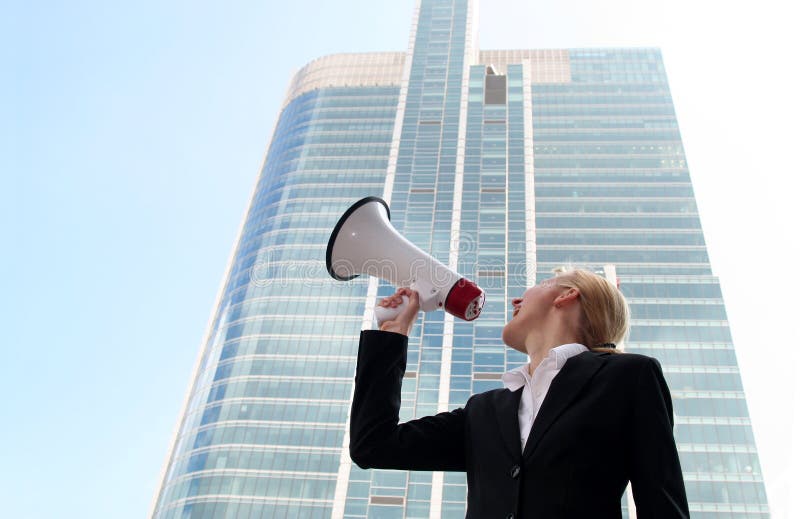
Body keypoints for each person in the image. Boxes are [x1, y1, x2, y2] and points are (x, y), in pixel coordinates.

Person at [349, 268, 690, 518]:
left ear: (567, 295)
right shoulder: (484, 410)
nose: (516, 299)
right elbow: (373, 446)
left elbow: (663, 505)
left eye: (542, 284)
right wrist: (393, 333)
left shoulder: (628, 376)